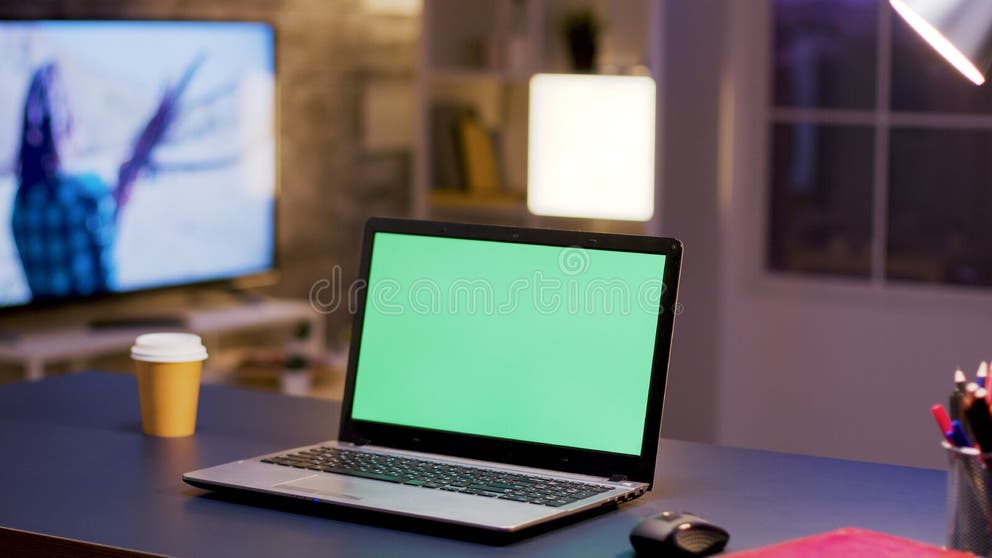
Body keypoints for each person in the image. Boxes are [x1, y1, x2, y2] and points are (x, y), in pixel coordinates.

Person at [12, 58, 202, 300]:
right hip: (97, 334)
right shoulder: (85, 194)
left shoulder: (20, 202)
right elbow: (107, 214)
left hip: (45, 332)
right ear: (71, 122)